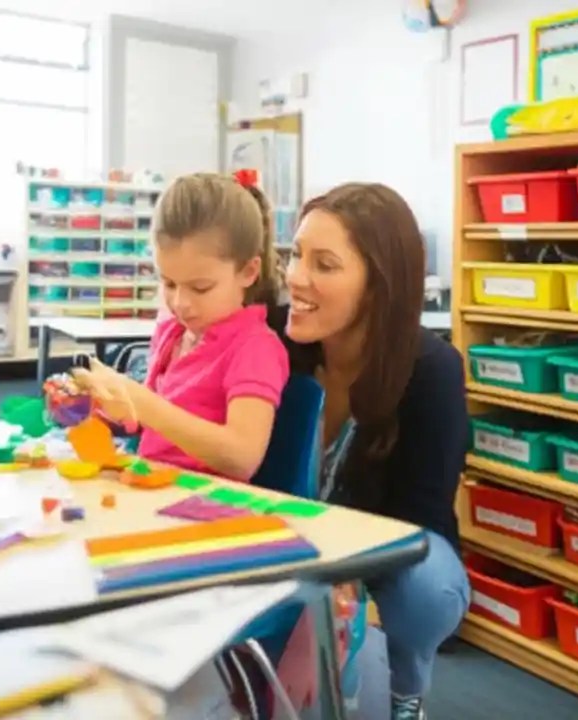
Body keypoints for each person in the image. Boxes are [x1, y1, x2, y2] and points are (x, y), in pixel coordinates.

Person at [274, 183, 470, 720]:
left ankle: (408, 690)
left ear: (378, 287)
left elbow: (422, 517)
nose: (295, 277)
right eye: (295, 255)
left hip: (389, 550)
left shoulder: (430, 371)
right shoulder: (273, 342)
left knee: (425, 588)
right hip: (285, 537)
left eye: (325, 264)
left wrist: (347, 578)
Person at [74, 173, 289, 481]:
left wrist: (146, 405)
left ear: (248, 271)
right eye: (169, 283)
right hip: (153, 487)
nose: (180, 302)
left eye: (200, 288)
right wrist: (96, 404)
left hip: (207, 508)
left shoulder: (254, 347)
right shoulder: (173, 333)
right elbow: (145, 427)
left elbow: (242, 457)